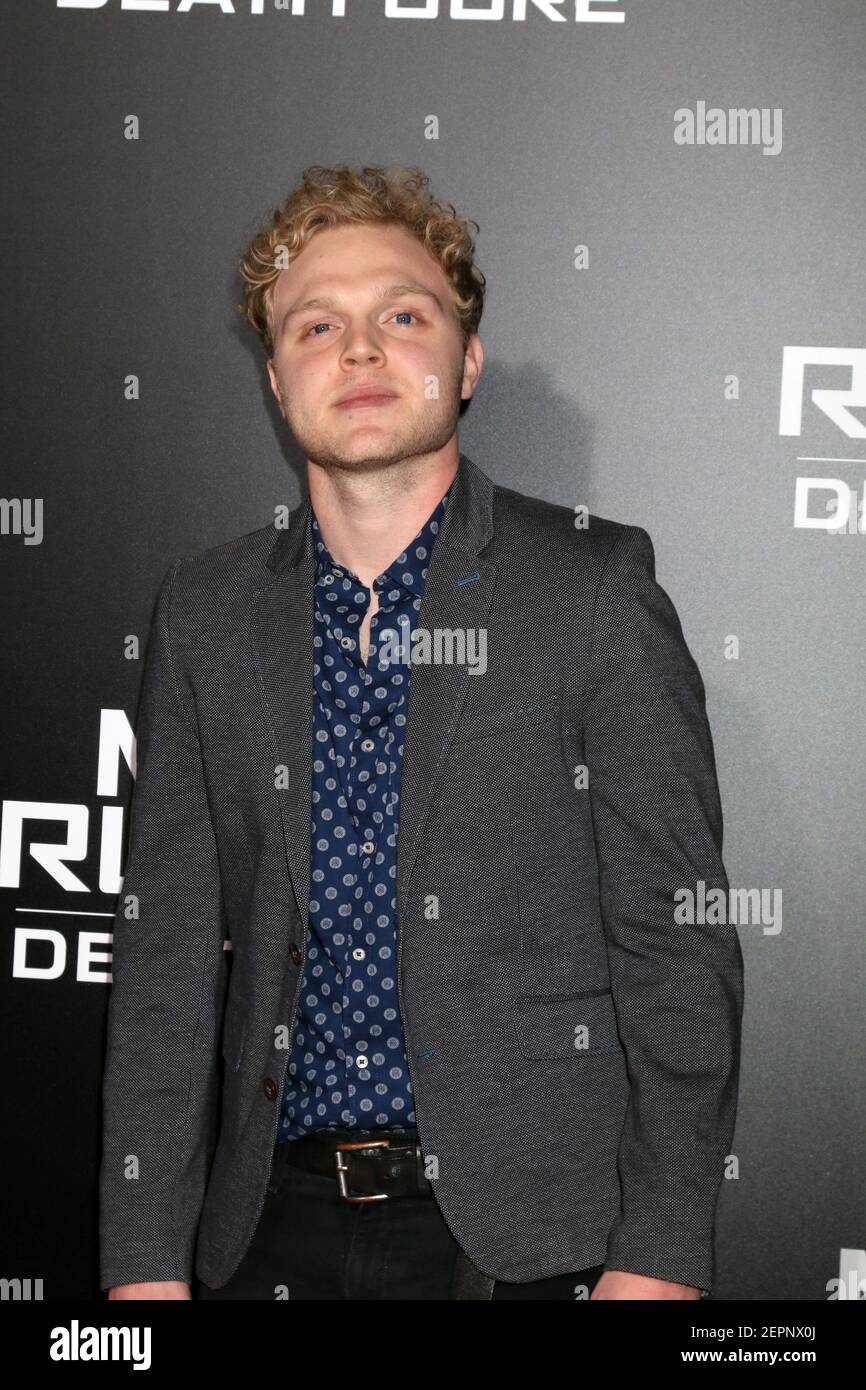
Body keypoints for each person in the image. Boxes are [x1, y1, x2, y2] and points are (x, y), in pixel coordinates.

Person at [100, 164, 743, 1301]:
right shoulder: (204, 612)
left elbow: (676, 952)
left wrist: (658, 1262)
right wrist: (144, 1273)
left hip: (533, 1248)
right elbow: (163, 970)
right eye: (316, 324)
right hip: (265, 1236)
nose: (358, 350)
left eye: (402, 314)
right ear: (275, 375)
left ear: (466, 360)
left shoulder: (592, 590)